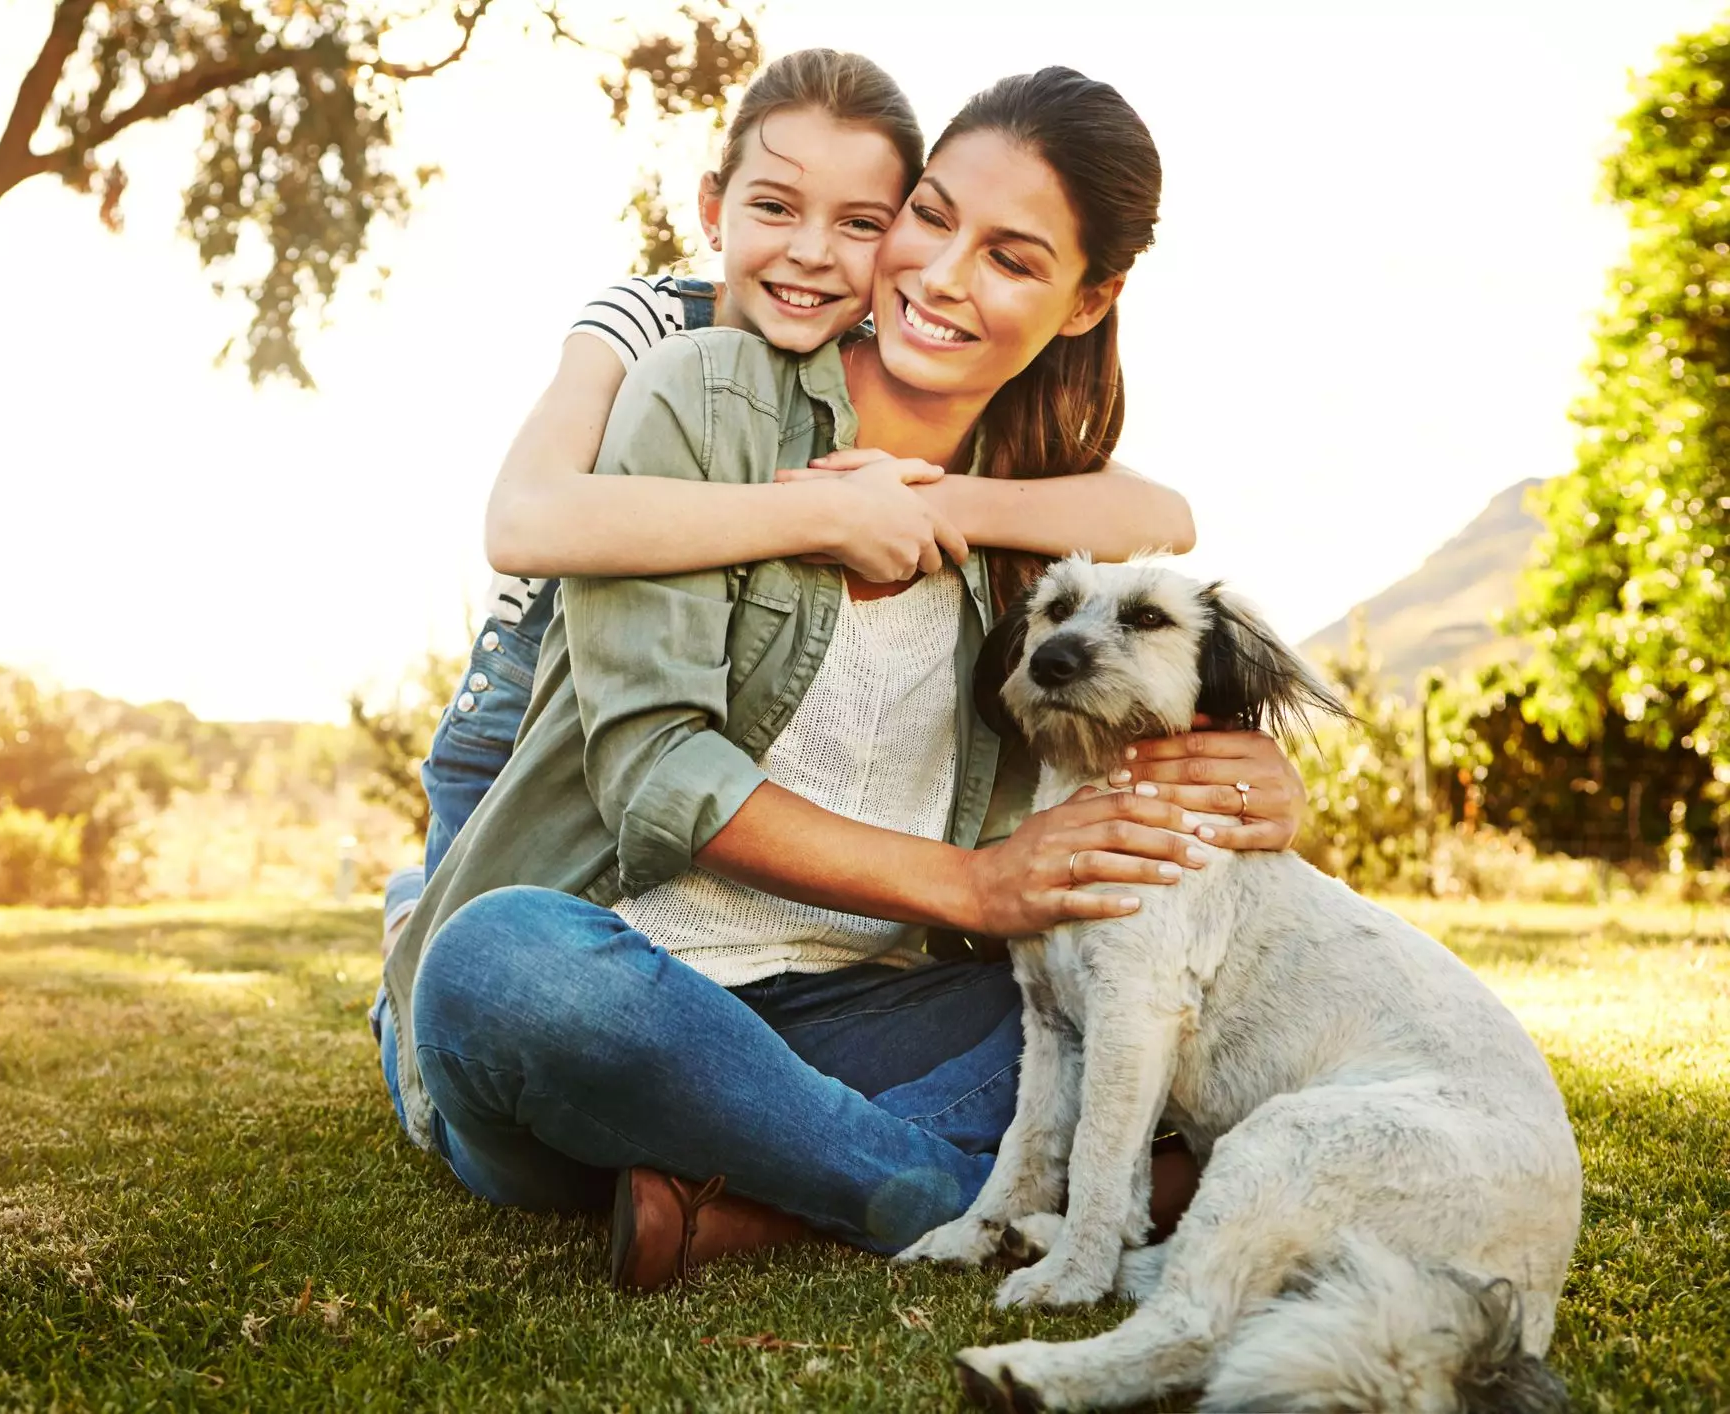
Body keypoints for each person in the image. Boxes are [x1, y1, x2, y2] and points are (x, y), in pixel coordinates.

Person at [377, 63, 1308, 1292]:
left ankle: (761, 1200)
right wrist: (973, 884)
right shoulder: (699, 394)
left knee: (1223, 1011)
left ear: (1090, 303)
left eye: (1015, 260)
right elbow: (657, 774)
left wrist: (1250, 784)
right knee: (499, 968)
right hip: (624, 977)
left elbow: (1152, 618)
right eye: (931, 216)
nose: (941, 275)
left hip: (859, 1015)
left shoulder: (1048, 520)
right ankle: (938, 1191)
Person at [378, 49, 1197, 958]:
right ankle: (413, 930)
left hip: (753, 854)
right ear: (710, 208)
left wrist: (931, 501)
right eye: (773, 207)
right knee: (470, 934)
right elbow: (524, 523)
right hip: (524, 690)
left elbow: (1160, 517)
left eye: (861, 221)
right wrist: (825, 516)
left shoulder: (874, 337)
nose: (812, 250)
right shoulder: (655, 324)